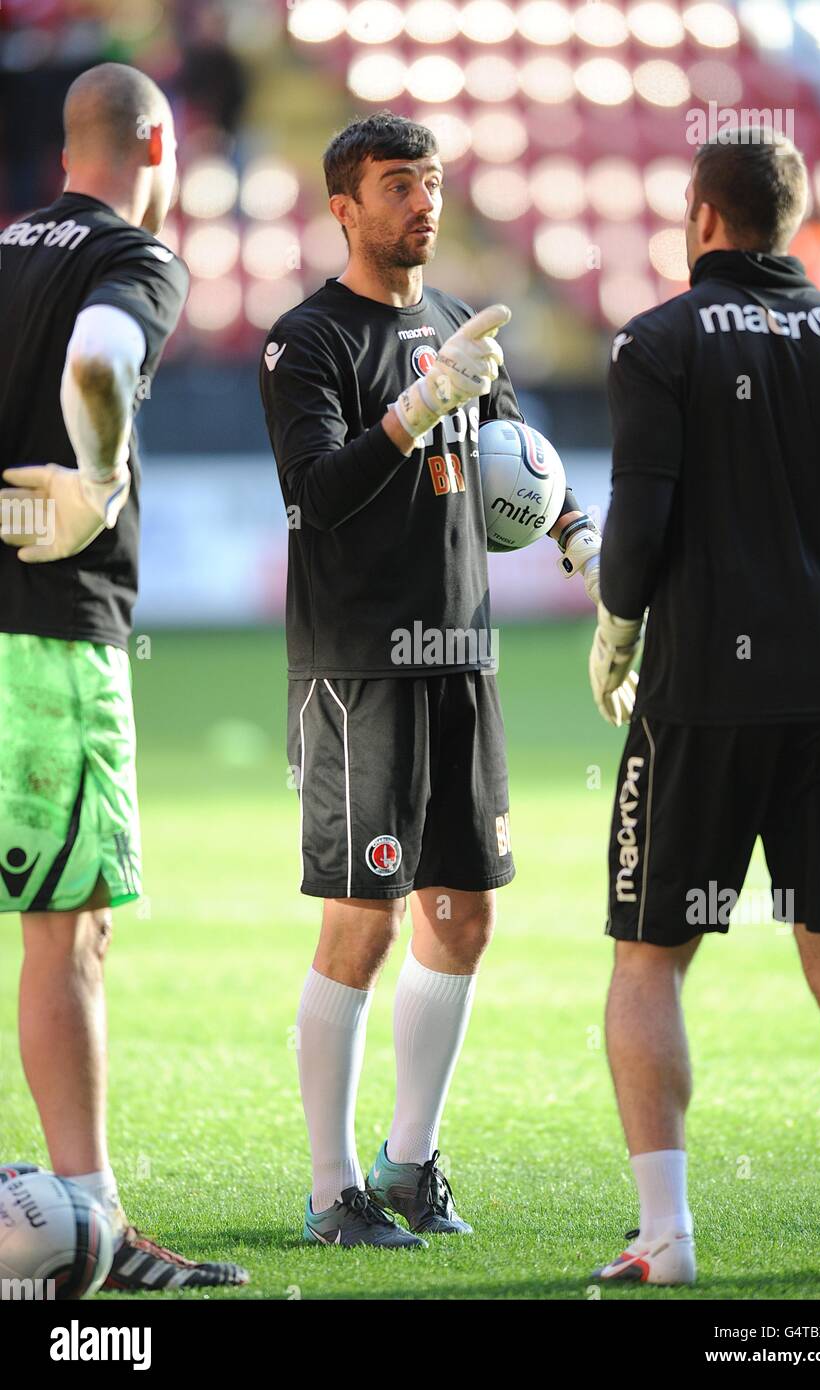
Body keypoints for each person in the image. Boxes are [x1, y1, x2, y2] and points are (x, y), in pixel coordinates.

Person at [259, 111, 609, 1247]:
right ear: (344, 207)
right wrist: (417, 404)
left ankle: (407, 1167)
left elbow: (521, 462)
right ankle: (329, 1191)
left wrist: (580, 539)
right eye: (398, 183)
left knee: (461, 917)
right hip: (360, 667)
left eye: (434, 180)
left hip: (464, 656)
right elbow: (316, 493)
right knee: (360, 922)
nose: (424, 201)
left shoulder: (463, 323)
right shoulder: (304, 342)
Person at [587, 127, 820, 1286]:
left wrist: (618, 629)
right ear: (791, 221)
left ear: (701, 220)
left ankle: (665, 1239)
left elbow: (641, 521)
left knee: (649, 957)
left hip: (701, 699)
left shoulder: (655, 342)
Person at [0, 62, 248, 1291]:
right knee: (69, 927)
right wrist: (94, 485)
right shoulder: (133, 261)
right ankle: (94, 1226)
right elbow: (98, 366)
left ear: (65, 147)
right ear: (157, 140)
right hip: (48, 634)